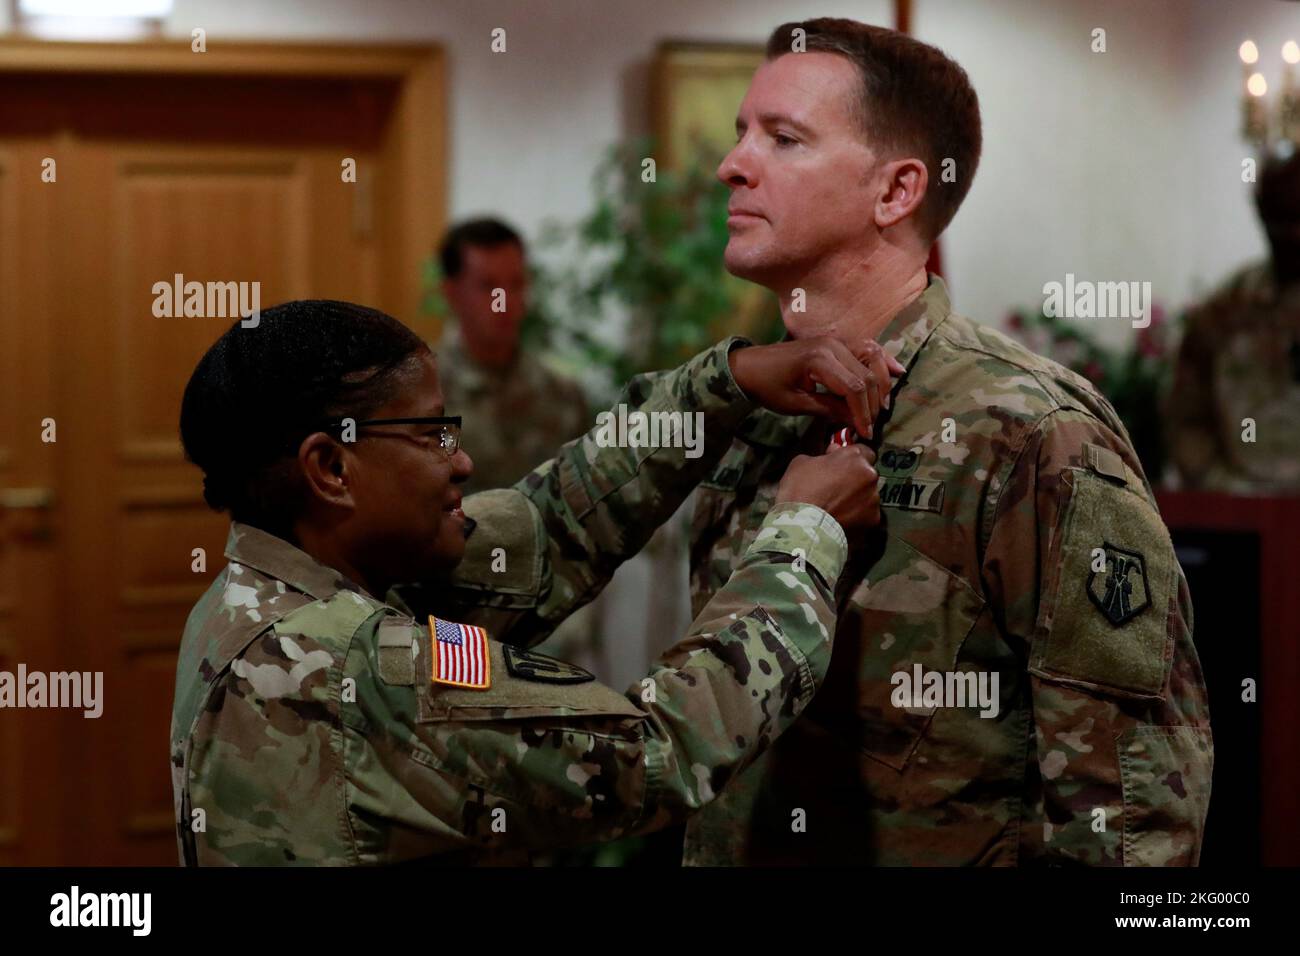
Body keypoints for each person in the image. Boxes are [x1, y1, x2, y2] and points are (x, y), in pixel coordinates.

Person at [683, 18, 1212, 866]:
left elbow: (1133, 815)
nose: (732, 164)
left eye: (782, 139)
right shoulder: (749, 410)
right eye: (741, 132)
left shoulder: (1033, 433)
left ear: (895, 193)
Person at [170, 298, 899, 865]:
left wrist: (727, 382)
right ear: (331, 468)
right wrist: (806, 533)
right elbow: (662, 751)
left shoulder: (260, 596)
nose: (460, 462)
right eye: (432, 435)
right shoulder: (357, 672)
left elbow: (552, 525)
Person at [1166, 148, 1300, 492]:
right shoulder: (1227, 308)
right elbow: (1187, 416)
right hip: (1244, 508)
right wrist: (1220, 486)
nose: (1292, 234)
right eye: (1280, 219)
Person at [436, 217, 588, 492]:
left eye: (516, 284)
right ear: (452, 293)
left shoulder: (563, 396)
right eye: (488, 286)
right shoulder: (423, 397)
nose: (503, 302)